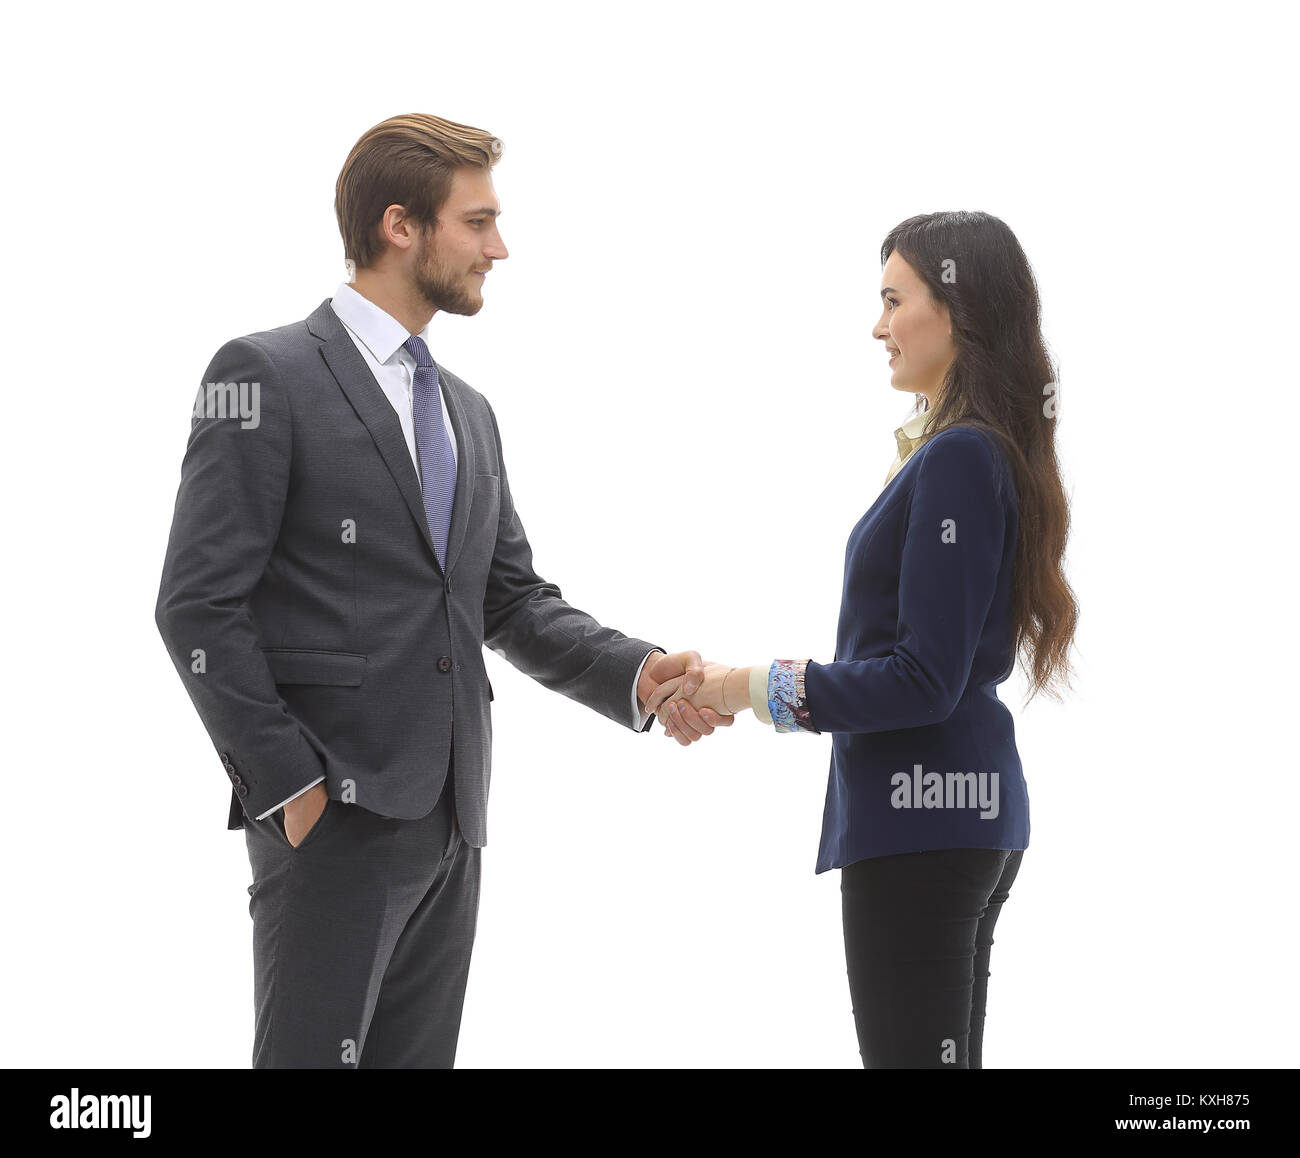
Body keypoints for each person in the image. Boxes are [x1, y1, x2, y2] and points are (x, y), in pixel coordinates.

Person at [154, 112, 731, 1068]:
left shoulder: (470, 411)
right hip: (329, 817)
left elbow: (506, 600)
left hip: (453, 821)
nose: (499, 248)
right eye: (478, 222)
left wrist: (638, 674)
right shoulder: (264, 374)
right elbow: (195, 602)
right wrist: (289, 783)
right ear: (400, 226)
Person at [648, 210, 1078, 1068]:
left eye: (892, 300)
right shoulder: (974, 450)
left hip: (921, 821)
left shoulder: (959, 457)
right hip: (960, 815)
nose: (877, 326)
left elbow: (922, 679)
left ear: (957, 312)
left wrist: (743, 685)